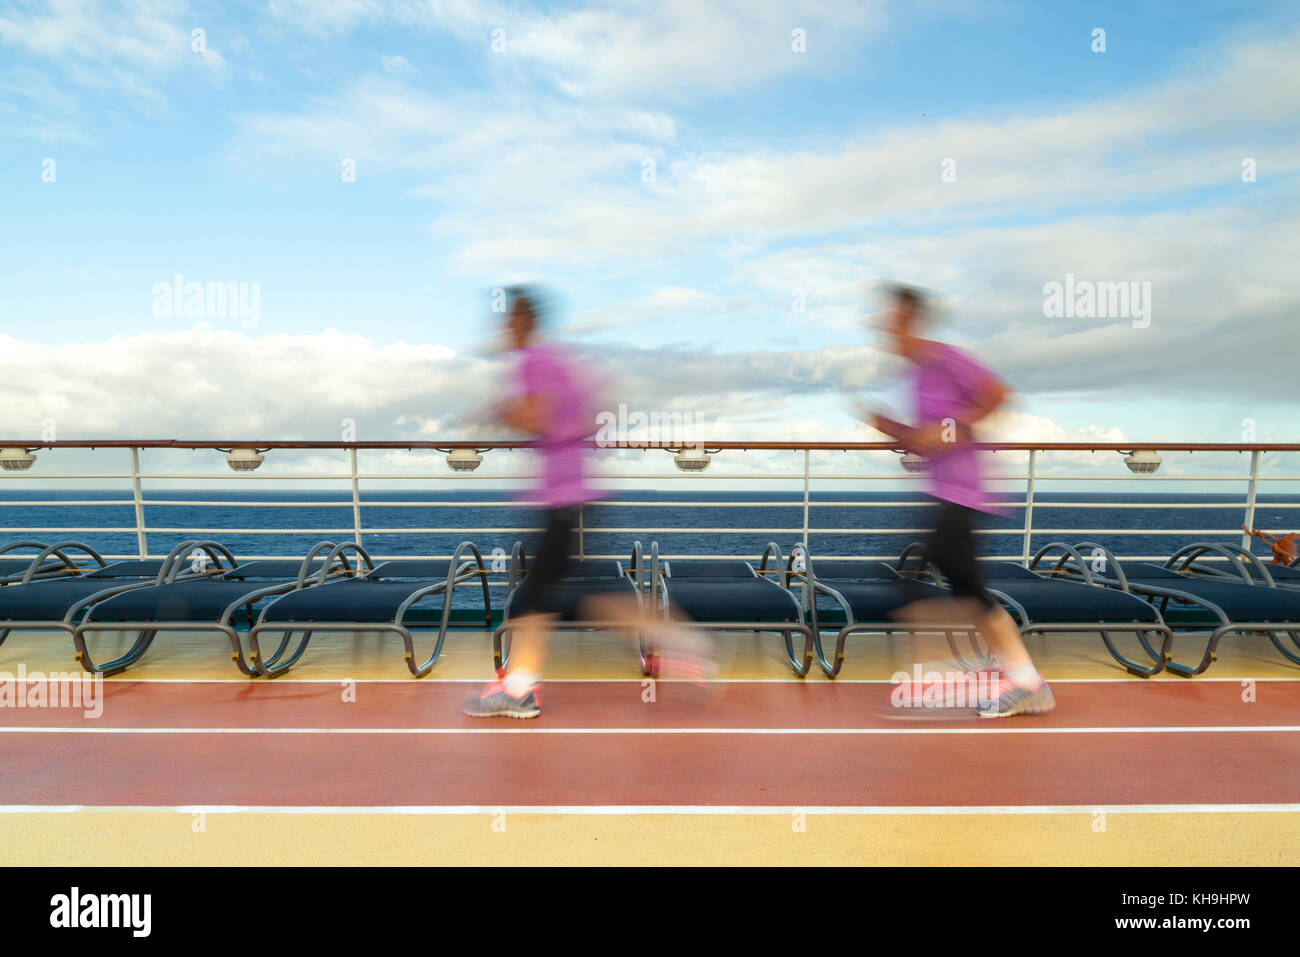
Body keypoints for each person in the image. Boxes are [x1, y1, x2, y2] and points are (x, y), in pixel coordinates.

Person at [464, 286, 710, 719]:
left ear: (520, 321)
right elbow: (587, 409)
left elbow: (537, 418)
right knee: (546, 596)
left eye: (505, 321)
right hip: (573, 491)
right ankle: (521, 687)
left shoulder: (533, 361)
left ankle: (681, 643)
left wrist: (498, 411)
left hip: (559, 496)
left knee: (555, 597)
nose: (502, 329)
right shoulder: (559, 361)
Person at [865, 284, 1054, 717]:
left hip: (965, 491)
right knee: (952, 584)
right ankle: (1003, 668)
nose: (882, 327)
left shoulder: (946, 359)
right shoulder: (913, 375)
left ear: (909, 320)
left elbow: (997, 397)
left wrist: (945, 430)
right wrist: (892, 428)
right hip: (943, 492)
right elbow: (927, 440)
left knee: (937, 584)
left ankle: (1021, 678)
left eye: (888, 319)